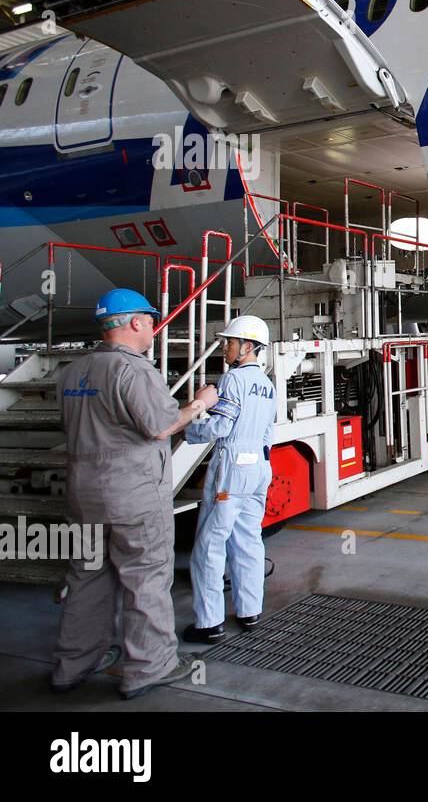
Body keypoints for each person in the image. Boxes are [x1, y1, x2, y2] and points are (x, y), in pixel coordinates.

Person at [52, 288, 212, 700]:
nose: (154, 330)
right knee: (145, 578)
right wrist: (198, 403)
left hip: (82, 496)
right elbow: (160, 426)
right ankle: (148, 668)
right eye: (152, 321)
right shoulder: (134, 371)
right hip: (132, 496)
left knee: (86, 578)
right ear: (137, 322)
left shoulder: (72, 372)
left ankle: (73, 665)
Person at [182, 315, 277, 645]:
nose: (225, 348)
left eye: (230, 343)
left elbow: (220, 427)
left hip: (232, 467)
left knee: (210, 544)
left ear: (248, 347)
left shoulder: (233, 380)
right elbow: (267, 433)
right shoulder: (267, 384)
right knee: (248, 539)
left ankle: (209, 623)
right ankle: (250, 610)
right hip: (259, 468)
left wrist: (187, 426)